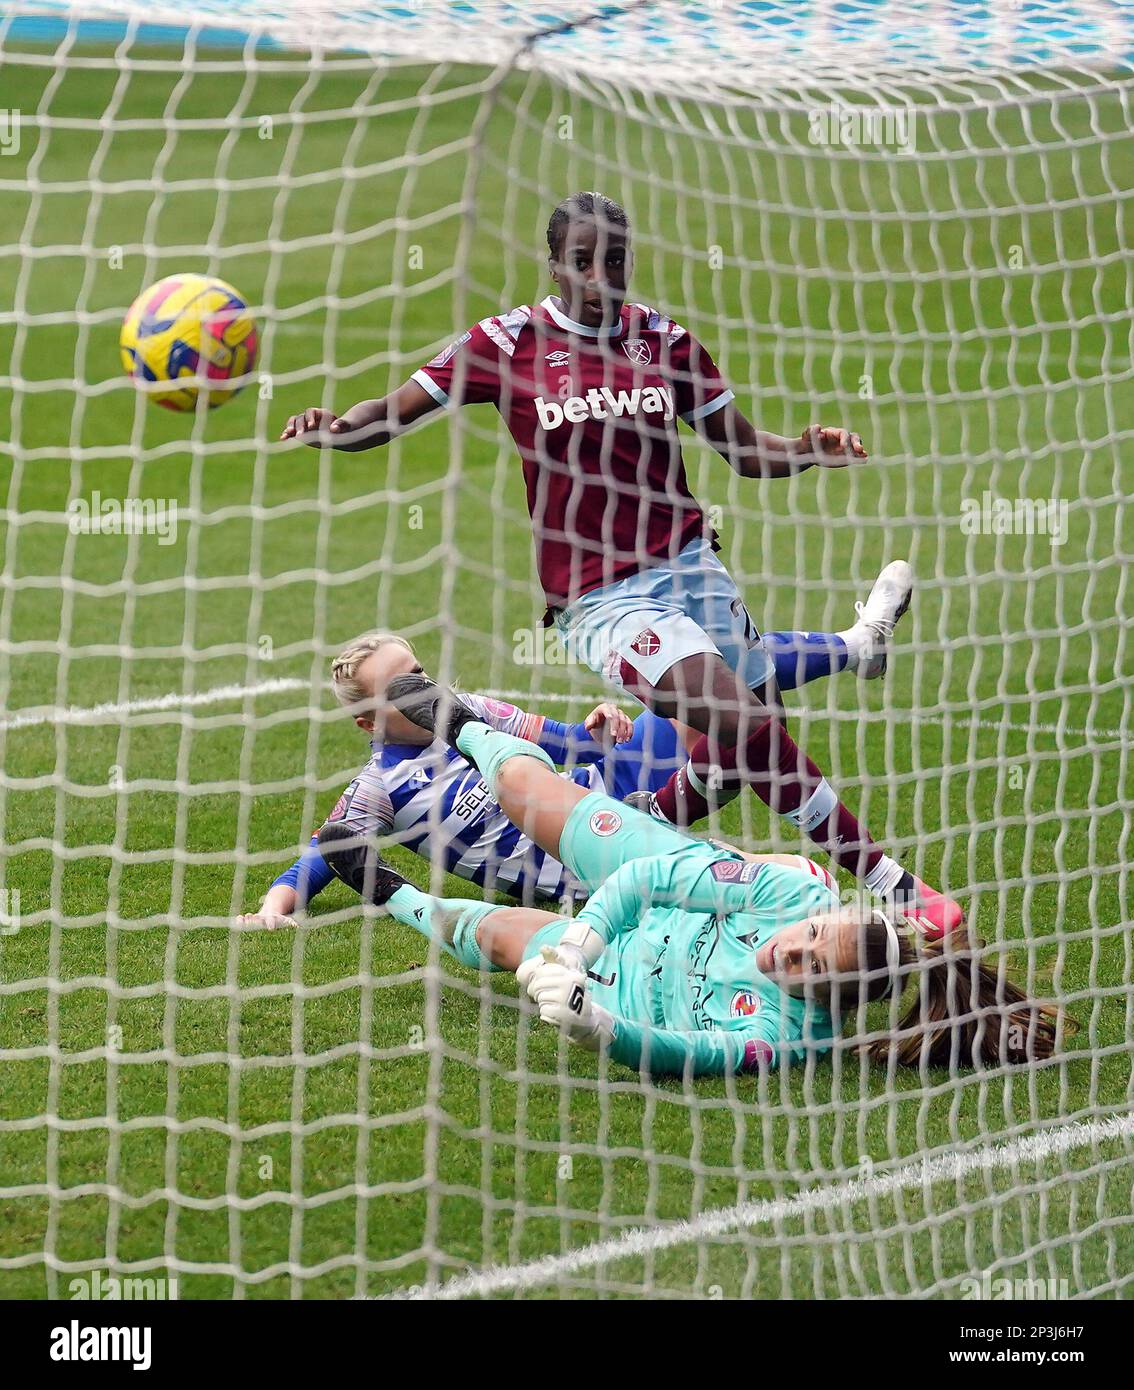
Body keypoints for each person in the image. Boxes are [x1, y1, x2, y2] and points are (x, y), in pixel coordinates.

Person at [281, 188, 959, 936]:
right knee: (736, 719)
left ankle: (642, 821)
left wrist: (804, 450)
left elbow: (740, 448)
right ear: (553, 263)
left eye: (614, 259)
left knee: (751, 741)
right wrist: (335, 428)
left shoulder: (666, 342)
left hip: (693, 567)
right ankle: (891, 882)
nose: (600, 276)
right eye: (582, 261)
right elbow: (398, 408)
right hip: (601, 598)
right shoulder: (506, 343)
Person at [314, 673, 1058, 1078]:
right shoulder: (795, 894)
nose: (789, 952)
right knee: (527, 796)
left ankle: (387, 890)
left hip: (633, 978)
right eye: (809, 939)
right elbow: (648, 882)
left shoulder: (793, 1039)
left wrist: (595, 1022)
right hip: (656, 873)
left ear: (824, 1002)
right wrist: (583, 941)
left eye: (804, 969)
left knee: (508, 942)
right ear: (823, 915)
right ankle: (460, 721)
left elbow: (690, 1056)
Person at [241, 566, 911, 926]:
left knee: (718, 678)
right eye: (401, 688)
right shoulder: (381, 788)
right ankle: (738, 811)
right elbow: (327, 852)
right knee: (743, 748)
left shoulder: (473, 709)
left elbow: (555, 740)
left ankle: (856, 648)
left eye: (418, 672)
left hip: (616, 788)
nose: (421, 688)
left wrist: (593, 731)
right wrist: (274, 908)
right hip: (593, 864)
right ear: (368, 722)